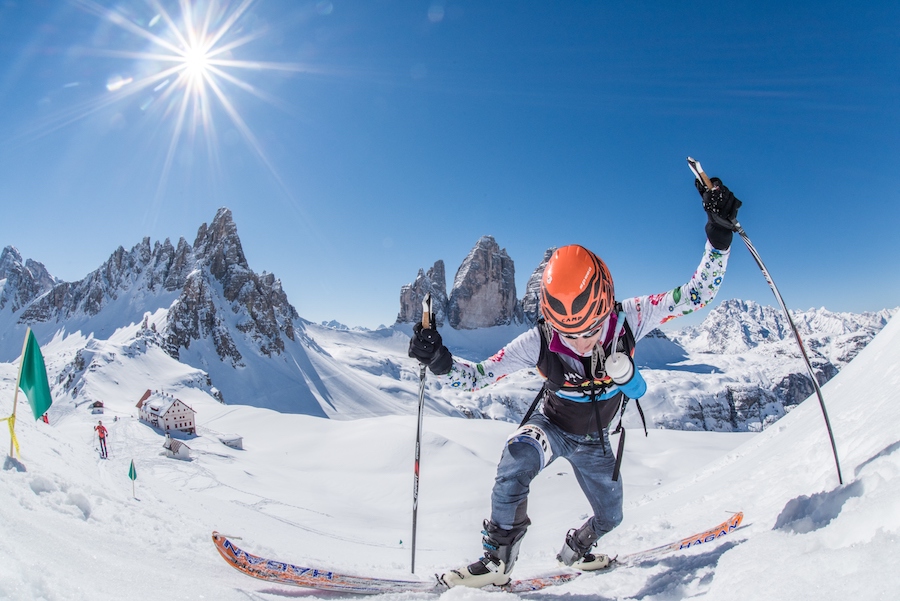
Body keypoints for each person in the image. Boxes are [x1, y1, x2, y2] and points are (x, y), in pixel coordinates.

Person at [409, 177, 742, 588]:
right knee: (517, 457)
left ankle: (578, 548)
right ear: (550, 317)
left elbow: (696, 296)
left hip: (598, 440)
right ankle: (497, 561)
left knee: (611, 516)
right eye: (569, 333)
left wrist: (718, 237)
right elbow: (477, 378)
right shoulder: (539, 339)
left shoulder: (632, 316)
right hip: (554, 427)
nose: (582, 342)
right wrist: (440, 360)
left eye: (591, 328)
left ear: (606, 304)